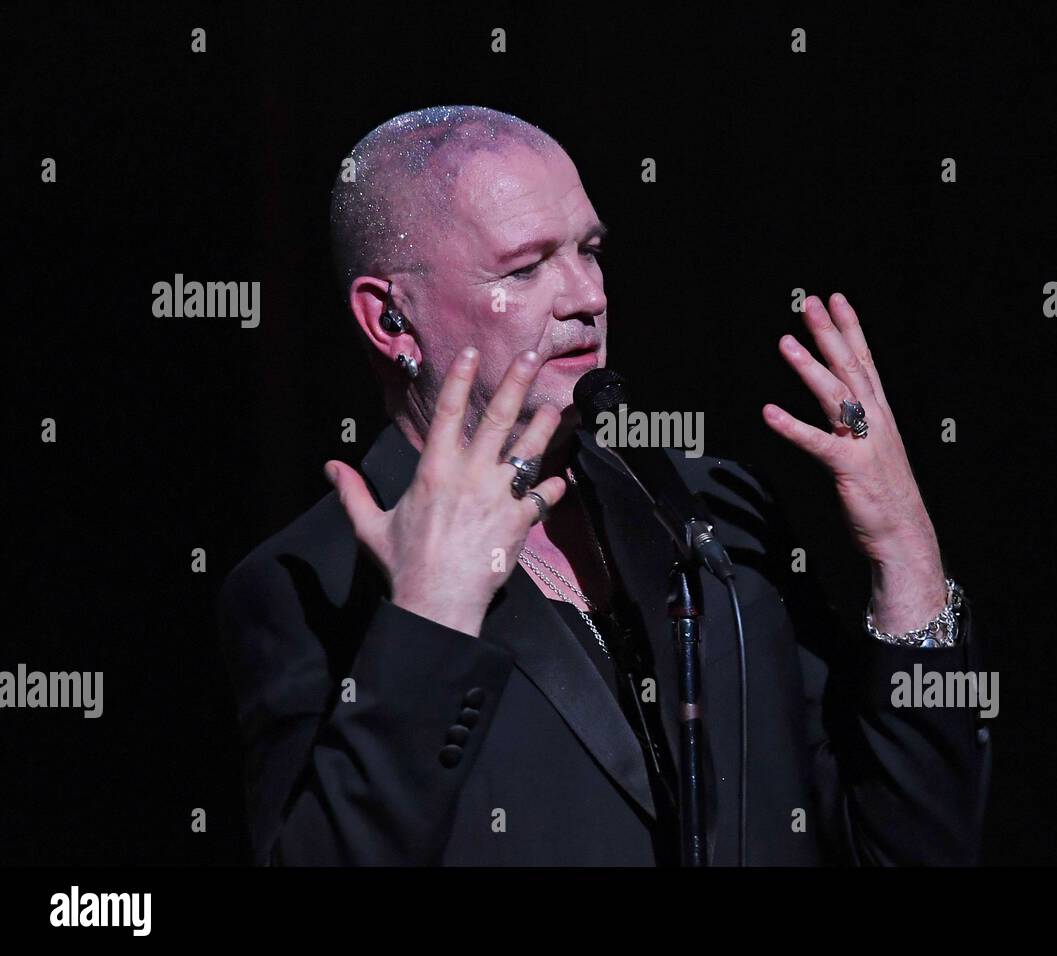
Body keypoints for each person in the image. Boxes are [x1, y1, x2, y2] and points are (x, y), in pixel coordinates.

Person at [218, 105, 990, 866]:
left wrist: (905, 550)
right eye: (525, 267)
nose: (586, 295)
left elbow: (911, 848)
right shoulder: (311, 580)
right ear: (391, 320)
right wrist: (430, 621)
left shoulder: (712, 514)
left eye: (589, 250)